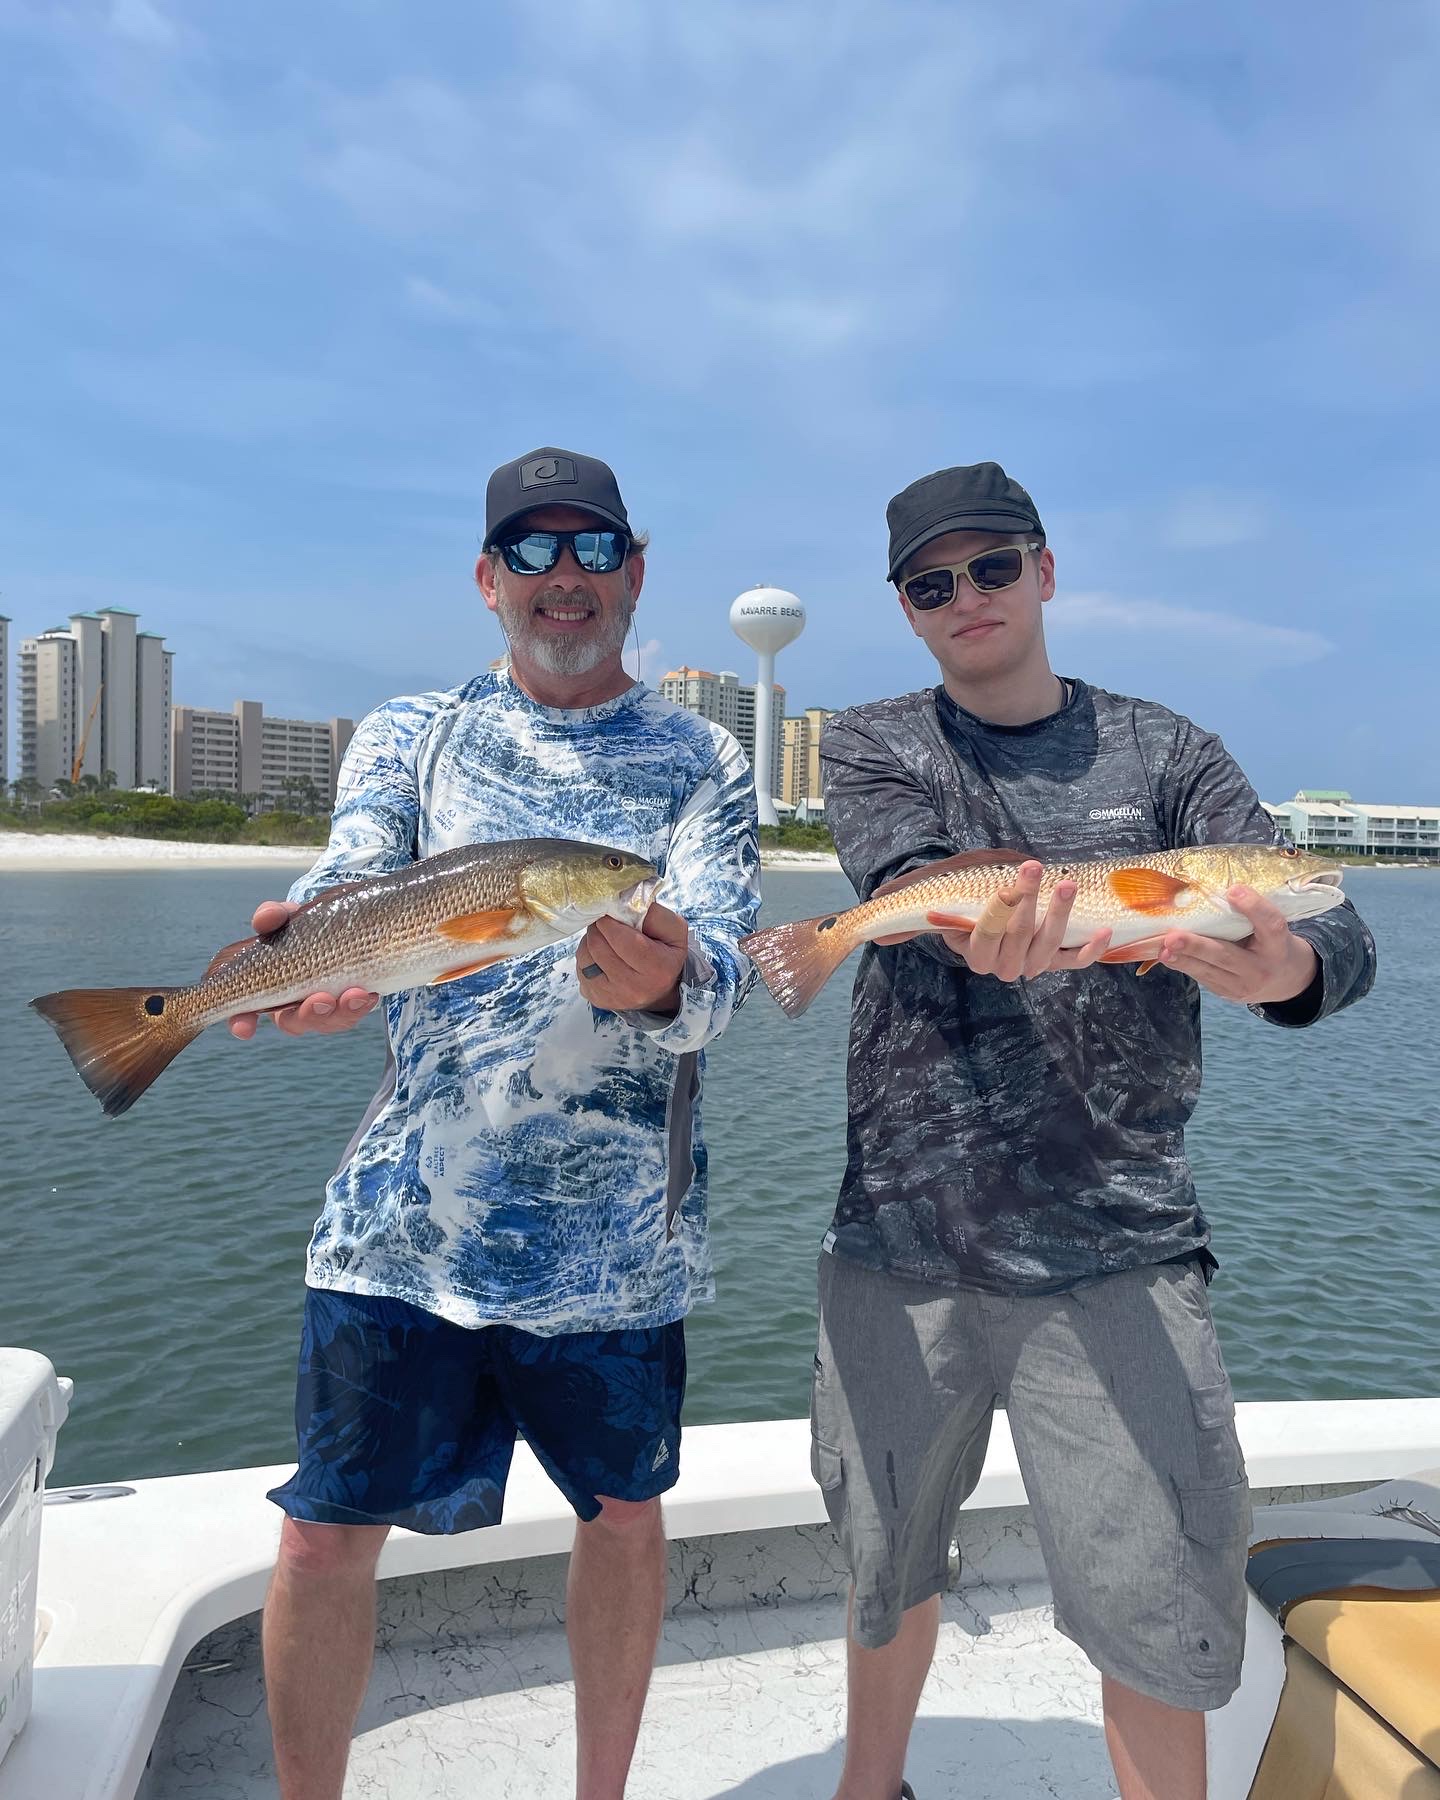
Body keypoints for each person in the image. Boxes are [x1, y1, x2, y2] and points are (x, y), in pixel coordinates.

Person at [811, 460, 1376, 1800]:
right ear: (906, 609)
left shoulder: (1172, 754)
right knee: (881, 1565)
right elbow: (899, 881)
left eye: (992, 567)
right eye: (930, 583)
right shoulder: (875, 742)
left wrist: (1287, 972)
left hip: (1121, 1243)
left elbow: (1330, 919)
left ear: (1045, 571)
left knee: (1156, 1595)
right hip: (900, 1236)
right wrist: (977, 921)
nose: (967, 598)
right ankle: (865, 1786)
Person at [229, 446, 760, 1800]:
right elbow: (356, 876)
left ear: (636, 573)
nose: (562, 576)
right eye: (530, 551)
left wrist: (671, 985)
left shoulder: (706, 755)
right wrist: (307, 957)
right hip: (402, 1225)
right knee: (319, 1537)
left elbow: (724, 980)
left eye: (592, 549)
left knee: (624, 1520)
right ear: (487, 581)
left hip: (619, 1243)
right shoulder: (413, 730)